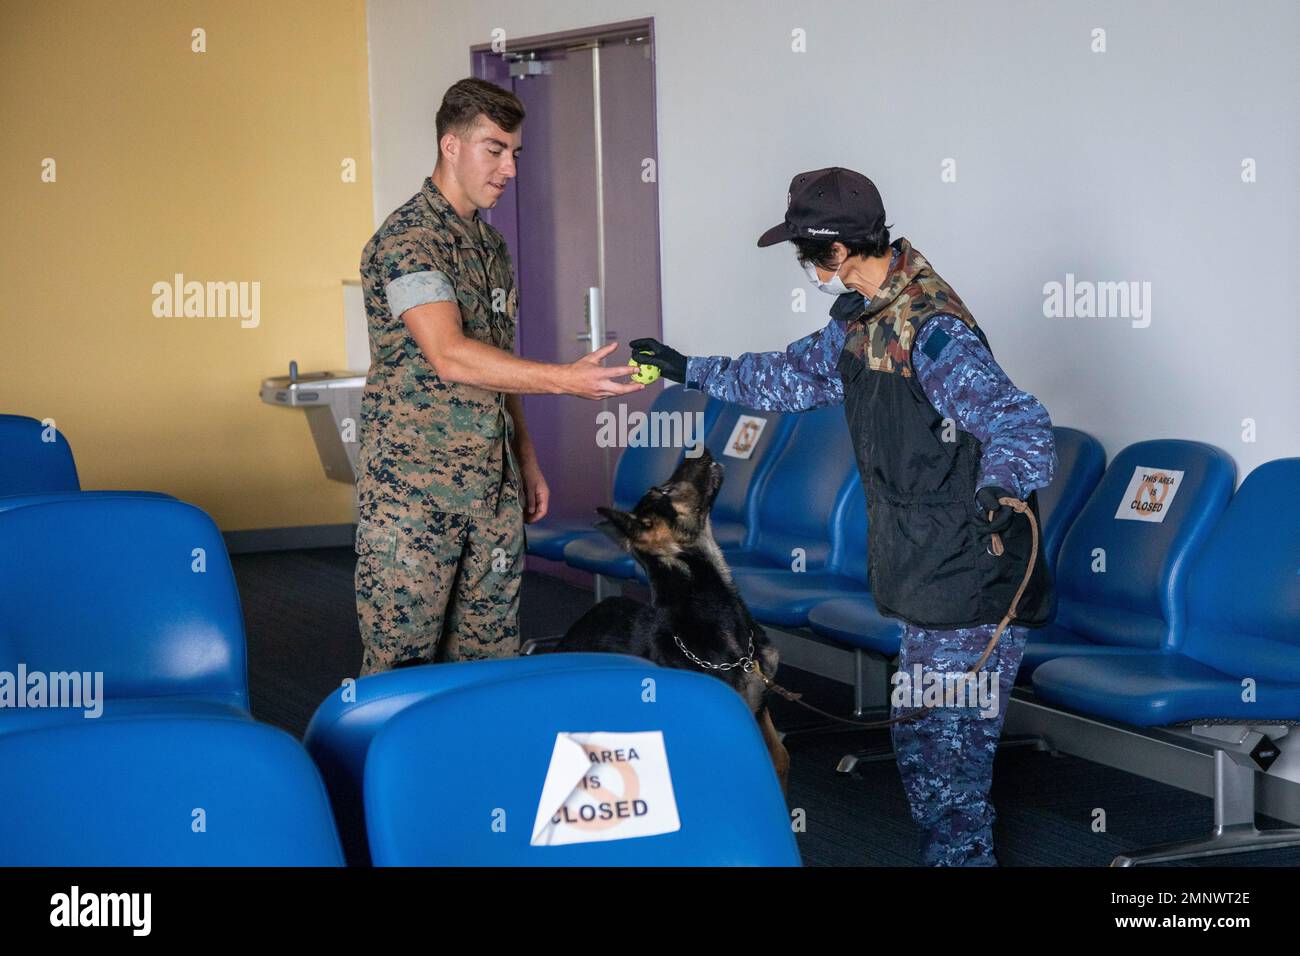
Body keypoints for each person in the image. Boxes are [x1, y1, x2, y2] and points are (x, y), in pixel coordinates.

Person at [630, 167, 1058, 866]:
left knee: (947, 766)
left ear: (832, 252)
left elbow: (1021, 423)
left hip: (973, 576)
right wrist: (689, 368)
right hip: (928, 566)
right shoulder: (864, 322)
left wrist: (1000, 487)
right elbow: (789, 376)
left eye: (805, 252)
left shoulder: (931, 330)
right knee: (924, 748)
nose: (806, 267)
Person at [355, 78, 643, 675]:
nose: (509, 168)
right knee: (403, 665)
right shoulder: (409, 241)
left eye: (515, 153)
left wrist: (526, 457)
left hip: (491, 488)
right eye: (494, 150)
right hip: (416, 493)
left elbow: (495, 366)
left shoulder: (490, 246)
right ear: (451, 145)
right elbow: (450, 355)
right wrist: (567, 380)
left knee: (488, 661)